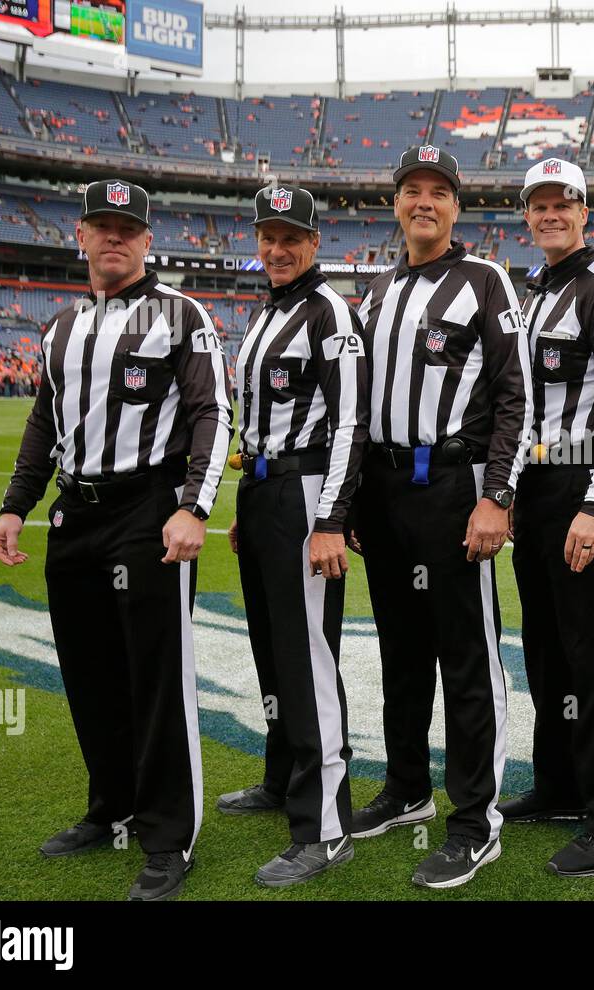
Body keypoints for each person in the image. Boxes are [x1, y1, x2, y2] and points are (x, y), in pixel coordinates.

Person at [0, 179, 234, 901]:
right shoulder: (60, 326)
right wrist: (16, 505)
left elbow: (212, 413)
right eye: (102, 225)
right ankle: (113, 806)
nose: (114, 237)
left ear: (147, 239)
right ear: (82, 236)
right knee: (89, 672)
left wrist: (193, 507)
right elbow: (45, 420)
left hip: (147, 510)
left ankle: (167, 836)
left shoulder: (180, 315)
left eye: (128, 227)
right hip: (76, 513)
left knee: (156, 678)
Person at [348, 146, 533, 889]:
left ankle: (475, 821)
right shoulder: (376, 290)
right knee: (399, 651)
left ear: (457, 206)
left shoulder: (485, 280)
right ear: (395, 203)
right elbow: (357, 405)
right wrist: (355, 498)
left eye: (439, 192)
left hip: (454, 485)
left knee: (466, 657)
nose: (424, 202)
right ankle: (406, 788)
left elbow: (516, 396)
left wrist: (497, 496)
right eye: (411, 190)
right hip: (386, 489)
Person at [216, 183, 369, 887]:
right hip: (264, 491)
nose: (277, 249)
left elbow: (350, 424)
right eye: (267, 237)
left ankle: (325, 827)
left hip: (305, 492)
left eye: (290, 238)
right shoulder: (267, 312)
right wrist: (248, 507)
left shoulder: (328, 310)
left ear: (314, 242)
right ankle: (282, 779)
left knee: (307, 658)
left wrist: (331, 519)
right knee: (273, 651)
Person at [499, 158, 594, 877]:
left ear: (586, 213)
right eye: (540, 204)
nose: (551, 214)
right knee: (546, 647)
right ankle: (559, 783)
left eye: (565, 203)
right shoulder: (538, 291)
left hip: (580, 483)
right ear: (527, 215)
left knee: (591, 654)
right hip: (535, 484)